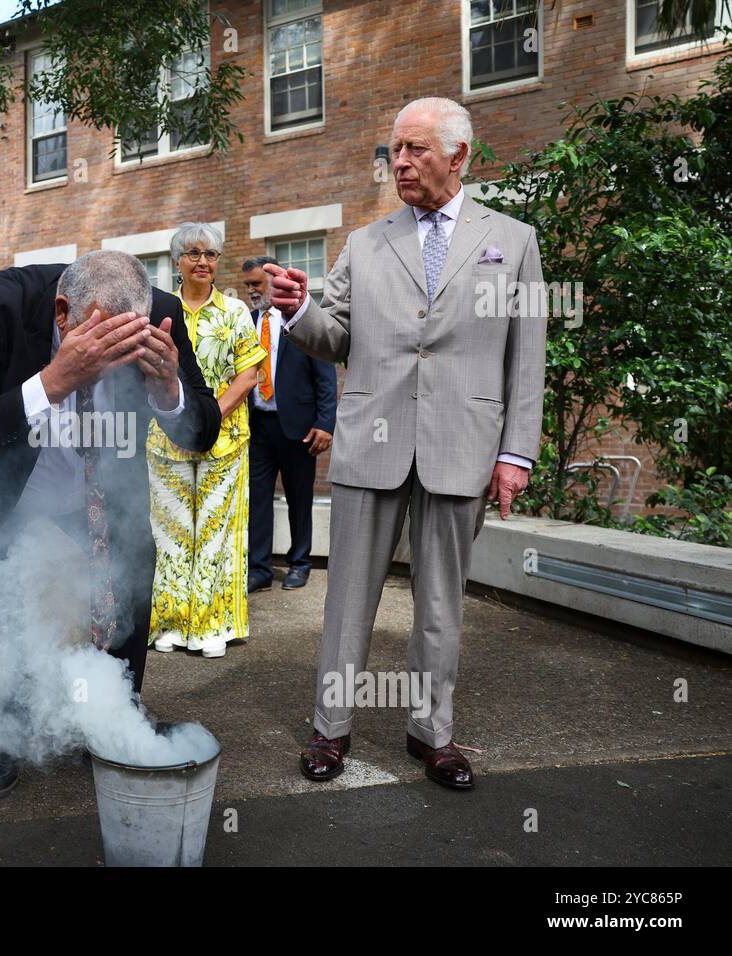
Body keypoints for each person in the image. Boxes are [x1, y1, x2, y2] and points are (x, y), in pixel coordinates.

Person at [267, 97, 547, 790]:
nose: (399, 161)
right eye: (394, 149)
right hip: (371, 447)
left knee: (442, 606)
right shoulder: (366, 243)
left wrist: (516, 454)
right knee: (347, 604)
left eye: (415, 149)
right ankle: (330, 729)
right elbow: (335, 337)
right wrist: (301, 309)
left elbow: (528, 356)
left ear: (458, 156)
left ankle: (433, 734)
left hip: (464, 447)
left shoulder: (513, 241)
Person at [0, 250, 220, 798]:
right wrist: (52, 383)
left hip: (100, 491)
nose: (117, 360)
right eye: (104, 343)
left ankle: (110, 717)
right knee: (1, 605)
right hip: (9, 492)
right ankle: (4, 733)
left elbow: (201, 432)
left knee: (127, 587)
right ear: (64, 314)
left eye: (124, 349)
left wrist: (168, 392)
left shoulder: (158, 313)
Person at [147, 224, 267, 660]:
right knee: (173, 532)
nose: (203, 262)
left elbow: (249, 374)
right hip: (166, 438)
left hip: (225, 438)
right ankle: (172, 621)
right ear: (177, 260)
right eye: (194, 253)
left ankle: (212, 624)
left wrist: (211, 415)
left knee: (215, 533)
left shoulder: (234, 312)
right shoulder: (157, 308)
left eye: (211, 254)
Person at [241, 256, 336, 593]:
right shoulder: (246, 322)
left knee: (299, 498)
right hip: (258, 428)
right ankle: (259, 569)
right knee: (257, 500)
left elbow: (324, 372)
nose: (251, 291)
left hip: (298, 427)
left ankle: (300, 563)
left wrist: (326, 422)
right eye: (248, 285)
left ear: (273, 281)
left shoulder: (299, 319)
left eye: (257, 284)